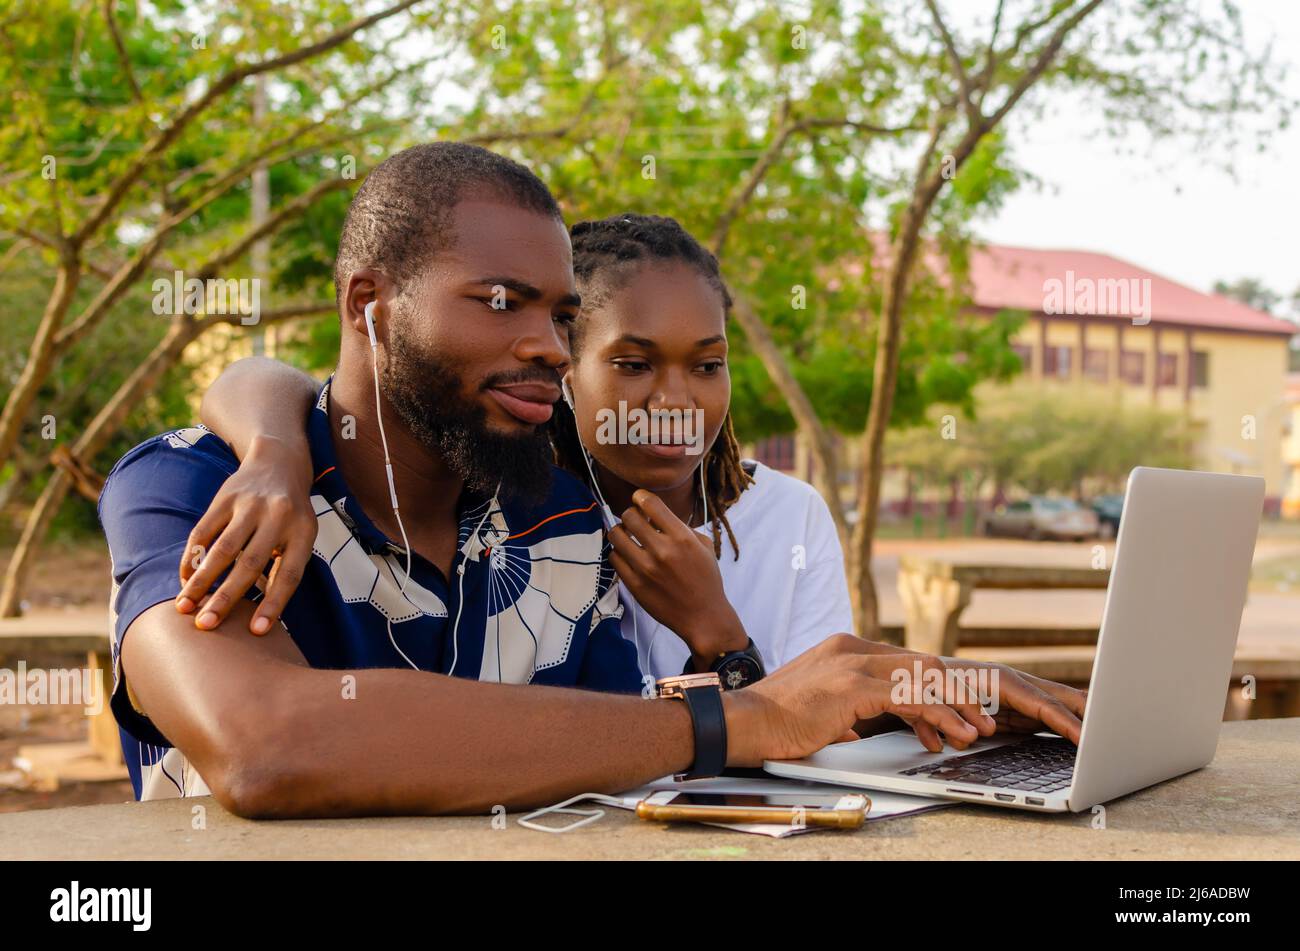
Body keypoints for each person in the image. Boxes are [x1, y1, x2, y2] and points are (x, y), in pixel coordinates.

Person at [99, 142, 1082, 818]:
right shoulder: (192, 488)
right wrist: (752, 710)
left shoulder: (557, 516)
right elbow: (264, 744)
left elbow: (628, 755)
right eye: (500, 302)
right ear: (372, 306)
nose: (545, 344)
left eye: (562, 315)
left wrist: (869, 701)